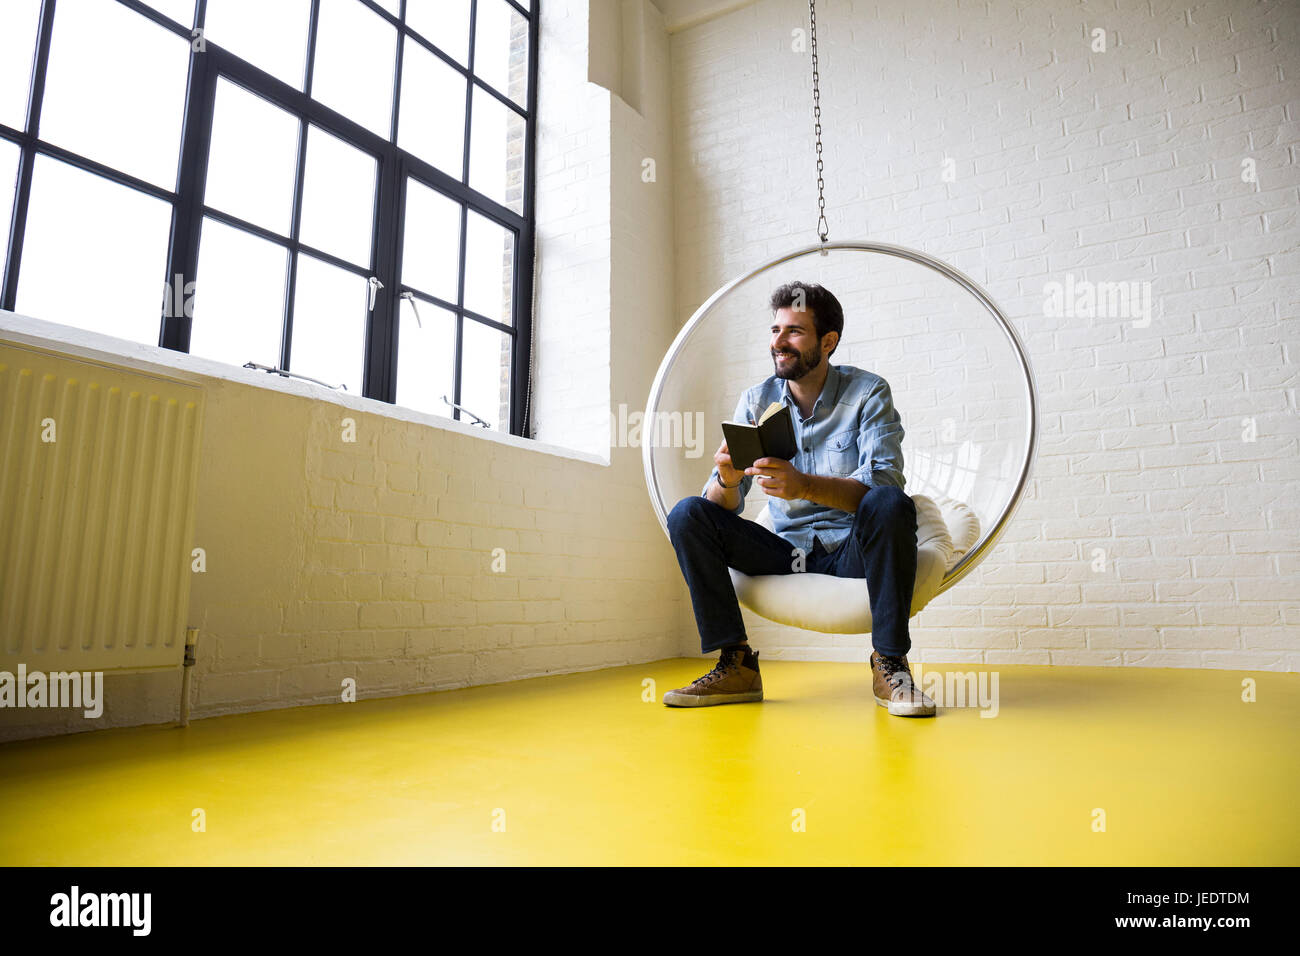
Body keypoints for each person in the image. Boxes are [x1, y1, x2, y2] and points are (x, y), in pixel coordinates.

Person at [664, 281, 937, 717]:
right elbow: (722, 507)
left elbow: (885, 480)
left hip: (851, 551)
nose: (778, 341)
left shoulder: (868, 392)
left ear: (827, 342)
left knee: (890, 503)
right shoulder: (756, 400)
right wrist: (728, 479)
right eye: (775, 330)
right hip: (786, 551)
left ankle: (890, 664)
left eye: (794, 331)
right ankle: (736, 664)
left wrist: (804, 485)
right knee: (688, 514)